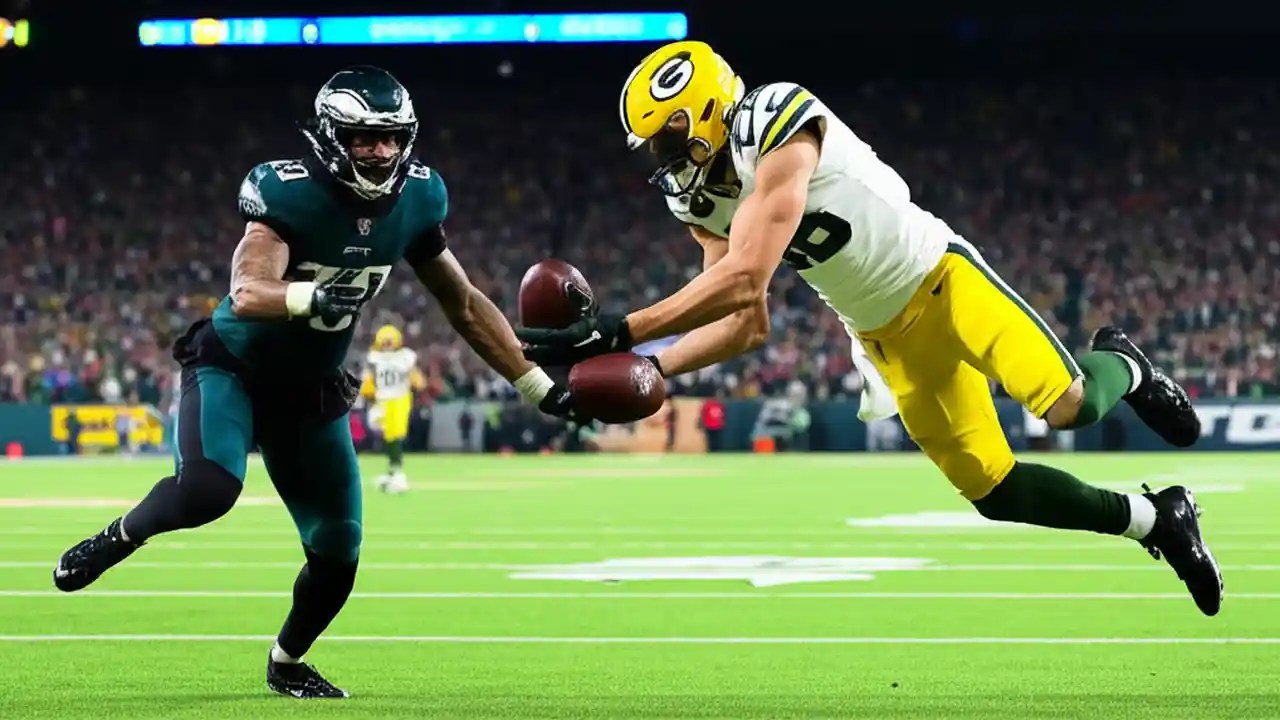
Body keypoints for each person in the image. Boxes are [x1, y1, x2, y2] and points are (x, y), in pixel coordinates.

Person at [517, 41, 1222, 616]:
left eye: (666, 136)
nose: (661, 159)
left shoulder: (774, 118)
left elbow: (747, 276)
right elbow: (743, 324)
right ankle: (1156, 519)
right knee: (994, 490)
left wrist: (622, 333)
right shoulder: (700, 198)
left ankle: (1126, 364)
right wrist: (651, 368)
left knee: (1070, 405)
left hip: (941, 281)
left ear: (703, 110)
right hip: (885, 338)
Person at [52, 65, 585, 698]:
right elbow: (247, 290)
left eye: (390, 137)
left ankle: (286, 661)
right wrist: (309, 295)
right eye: (363, 137)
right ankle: (119, 537)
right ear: (332, 135)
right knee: (208, 489)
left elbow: (464, 303)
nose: (379, 151)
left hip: (310, 389)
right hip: (235, 369)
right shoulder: (288, 192)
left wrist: (539, 387)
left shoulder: (419, 199)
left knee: (339, 548)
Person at [360, 324, 423, 493]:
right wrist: (368, 391)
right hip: (382, 399)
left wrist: (415, 380)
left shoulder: (405, 356)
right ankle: (393, 470)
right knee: (386, 434)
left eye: (390, 341)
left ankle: (396, 471)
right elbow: (368, 380)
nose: (387, 345)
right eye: (385, 341)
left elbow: (416, 380)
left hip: (400, 398)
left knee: (395, 435)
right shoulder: (374, 357)